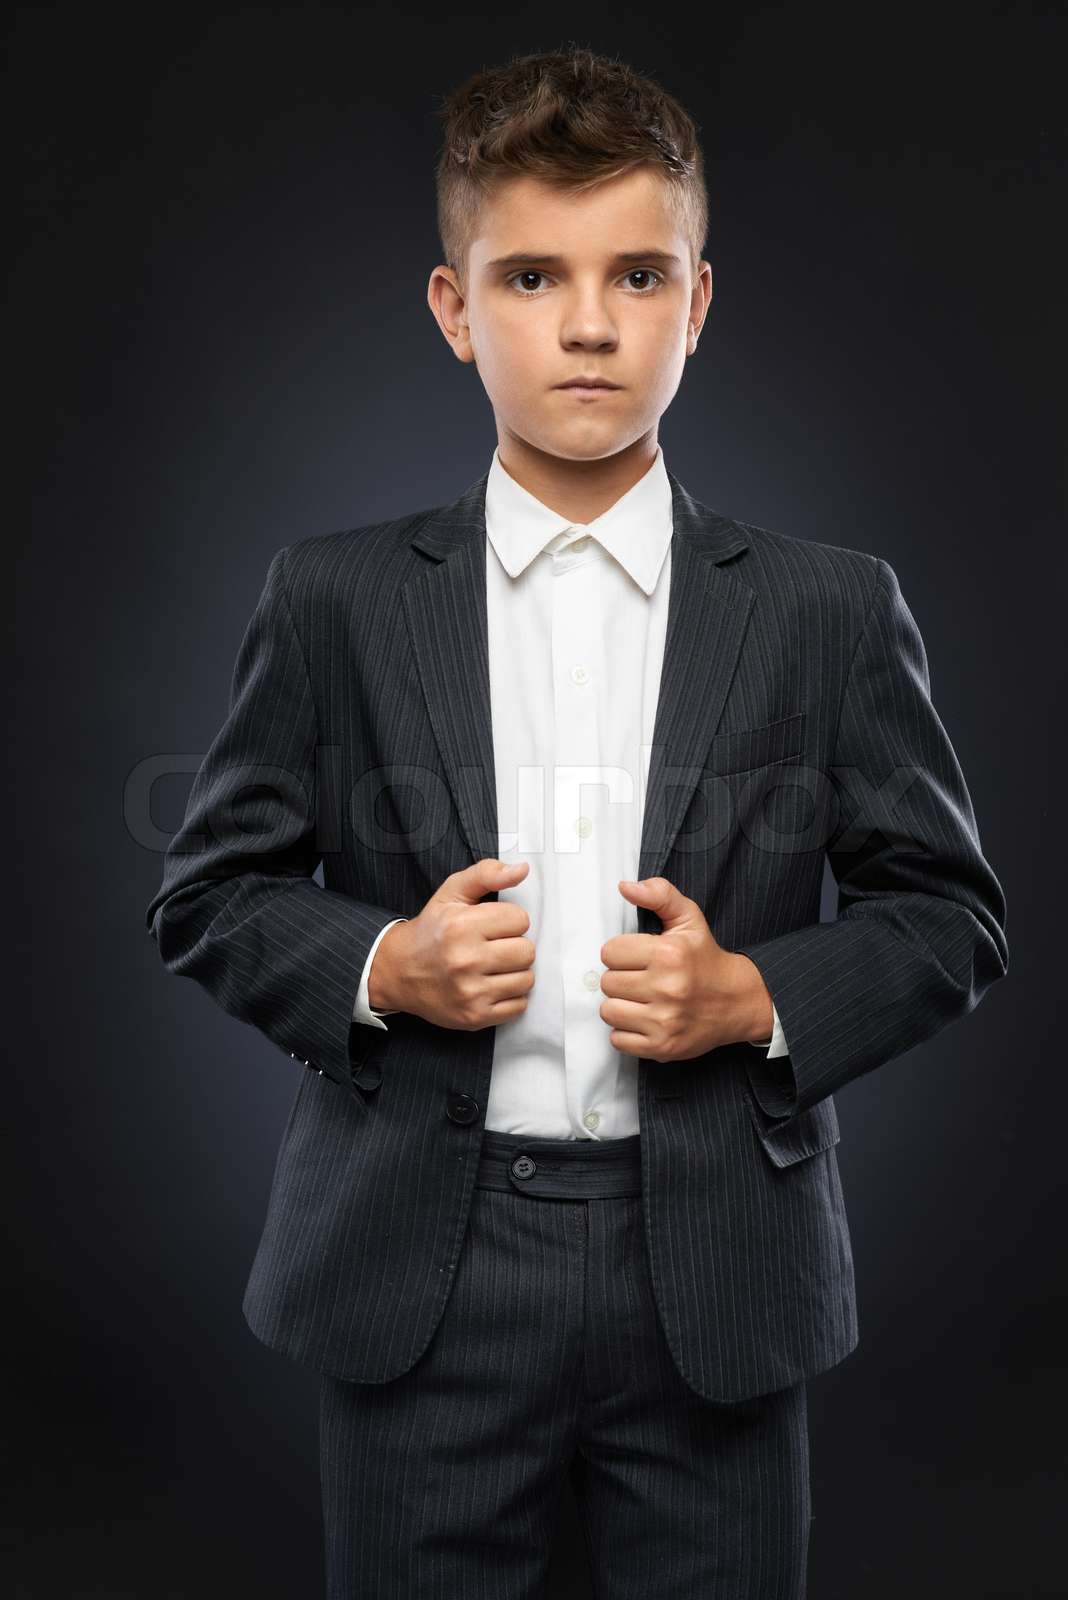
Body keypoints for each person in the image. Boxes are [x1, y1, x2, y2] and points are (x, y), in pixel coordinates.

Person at [145, 44, 1009, 1599]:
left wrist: (758, 995)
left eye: (637, 274)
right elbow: (210, 894)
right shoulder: (333, 599)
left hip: (716, 1274)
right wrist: (382, 967)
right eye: (533, 274)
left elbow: (952, 917)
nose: (591, 324)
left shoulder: (829, 610)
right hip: (422, 1262)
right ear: (454, 309)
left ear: (697, 305)